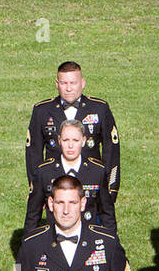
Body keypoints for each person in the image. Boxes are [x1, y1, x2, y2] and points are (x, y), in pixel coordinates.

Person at [26, 61, 120, 201]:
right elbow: (33, 155)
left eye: (73, 83)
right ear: (57, 84)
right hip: (55, 190)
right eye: (64, 83)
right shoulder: (42, 111)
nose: (69, 88)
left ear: (82, 83)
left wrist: (110, 190)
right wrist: (37, 192)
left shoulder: (99, 108)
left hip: (91, 188)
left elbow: (111, 152)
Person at [24, 119, 116, 233]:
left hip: (88, 237)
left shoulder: (97, 171)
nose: (70, 145)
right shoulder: (44, 172)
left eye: (75, 140)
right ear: (59, 140)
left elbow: (107, 214)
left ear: (83, 141)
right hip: (54, 238)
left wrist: (112, 240)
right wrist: (29, 242)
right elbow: (33, 215)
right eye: (66, 140)